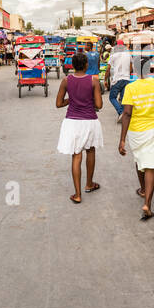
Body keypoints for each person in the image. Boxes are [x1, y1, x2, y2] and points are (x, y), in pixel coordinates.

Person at [118, 67, 154, 221]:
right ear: (150, 69)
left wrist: (122, 139)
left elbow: (126, 113)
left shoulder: (130, 87)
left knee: (140, 159)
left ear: (134, 69)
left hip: (136, 132)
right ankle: (147, 203)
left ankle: (142, 189)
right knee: (151, 165)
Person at [56, 52, 103, 204]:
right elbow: (99, 105)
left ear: (72, 65)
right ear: (86, 65)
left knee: (76, 156)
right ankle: (89, 184)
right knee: (90, 151)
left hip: (72, 122)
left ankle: (77, 194)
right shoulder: (93, 81)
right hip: (89, 121)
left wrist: (71, 99)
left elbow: (58, 104)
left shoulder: (66, 80)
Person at [105, 45, 132, 116]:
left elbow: (108, 69)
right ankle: (123, 115)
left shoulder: (113, 56)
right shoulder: (128, 55)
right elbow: (131, 68)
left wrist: (105, 80)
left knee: (112, 97)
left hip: (117, 79)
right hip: (126, 79)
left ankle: (121, 112)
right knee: (123, 98)